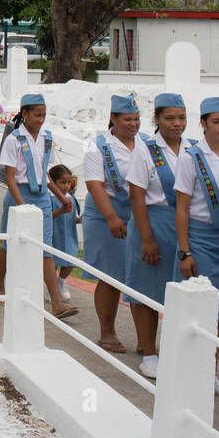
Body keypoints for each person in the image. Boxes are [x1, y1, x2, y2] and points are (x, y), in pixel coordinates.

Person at [175, 96, 219, 401]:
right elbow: (182, 207)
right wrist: (185, 250)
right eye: (216, 121)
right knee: (199, 309)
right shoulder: (191, 157)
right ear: (203, 124)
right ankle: (188, 372)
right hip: (201, 238)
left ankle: (210, 373)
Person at [0, 93, 78, 318]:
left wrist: (60, 196)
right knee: (9, 243)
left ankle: (56, 304)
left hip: (42, 198)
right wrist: (21, 205)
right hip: (20, 194)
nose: (40, 120)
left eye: (43, 115)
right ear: (25, 114)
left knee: (45, 249)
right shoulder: (14, 139)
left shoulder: (47, 138)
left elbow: (45, 173)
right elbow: (9, 176)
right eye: (37, 115)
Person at [126, 93, 193, 378]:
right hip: (152, 221)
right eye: (169, 118)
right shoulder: (146, 149)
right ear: (157, 119)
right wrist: (147, 238)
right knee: (146, 289)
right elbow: (137, 197)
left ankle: (177, 352)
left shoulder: (193, 149)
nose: (177, 124)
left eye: (181, 118)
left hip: (186, 227)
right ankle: (149, 351)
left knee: (181, 291)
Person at [78, 94, 144, 353]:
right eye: (127, 119)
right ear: (113, 119)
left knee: (140, 277)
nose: (133, 124)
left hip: (138, 214)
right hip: (106, 213)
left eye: (137, 119)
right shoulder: (97, 146)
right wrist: (112, 218)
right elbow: (94, 184)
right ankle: (107, 332)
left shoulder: (147, 143)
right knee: (111, 276)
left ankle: (145, 340)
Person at [48, 165, 81, 299]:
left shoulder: (71, 198)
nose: (66, 186)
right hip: (55, 235)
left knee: (71, 260)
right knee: (53, 262)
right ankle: (53, 289)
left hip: (70, 235)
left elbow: (74, 217)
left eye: (68, 182)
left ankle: (61, 281)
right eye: (62, 182)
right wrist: (60, 211)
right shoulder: (49, 198)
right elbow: (48, 216)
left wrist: (81, 220)